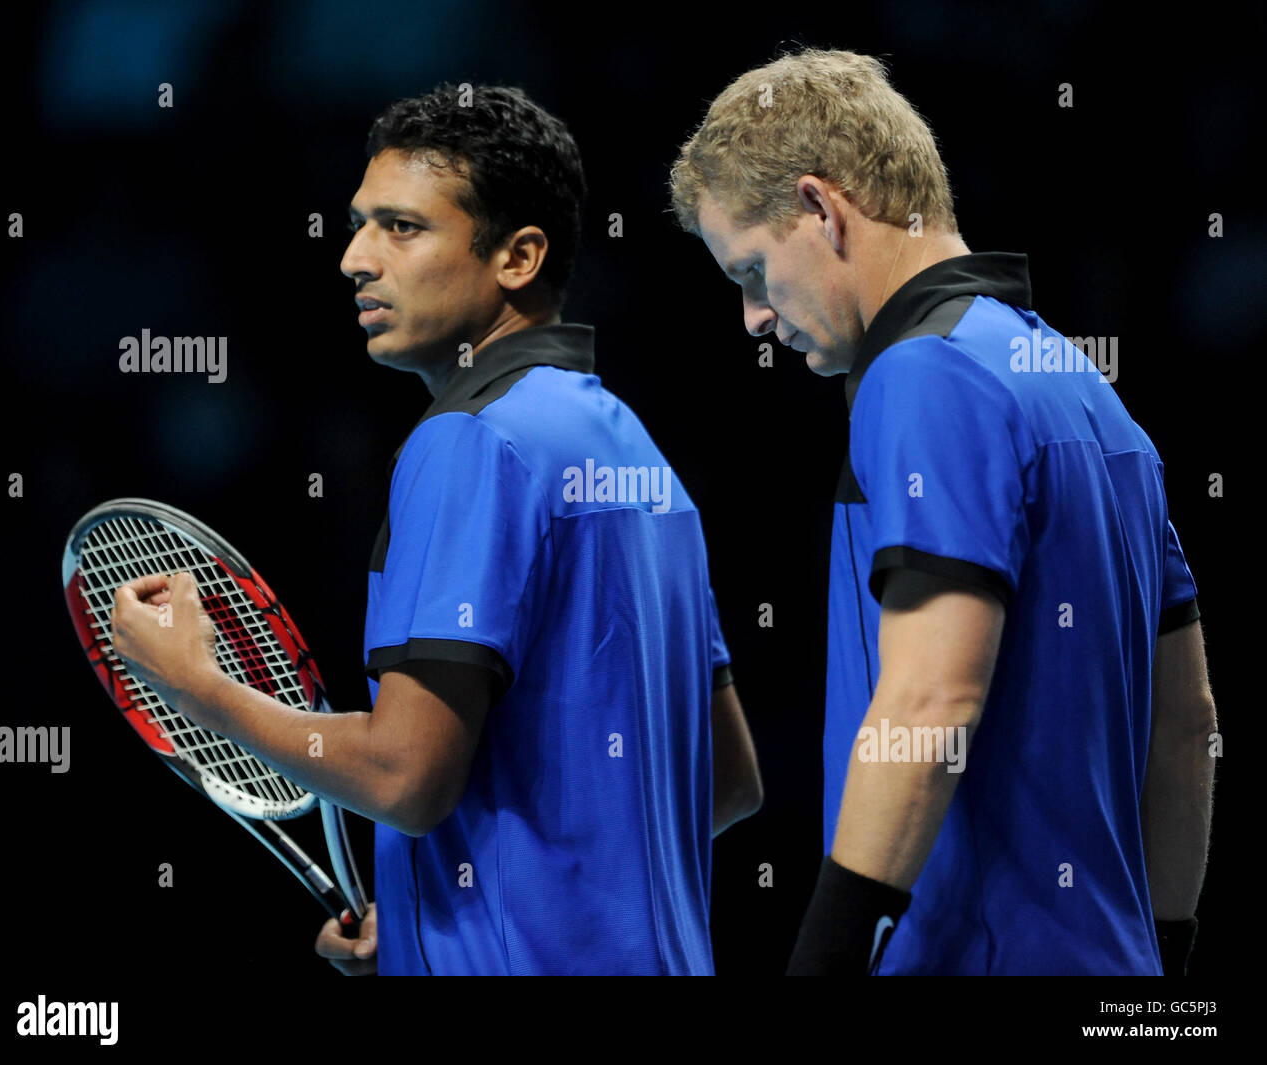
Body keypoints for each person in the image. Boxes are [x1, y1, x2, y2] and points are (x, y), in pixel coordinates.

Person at [110, 83, 762, 975]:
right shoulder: (637, 453)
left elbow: (404, 779)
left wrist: (198, 688)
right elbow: (726, 778)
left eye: (402, 228)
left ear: (519, 256)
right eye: (357, 223)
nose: (353, 258)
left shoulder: (469, 441)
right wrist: (442, 905)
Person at [668, 47, 1216, 975]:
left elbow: (930, 698)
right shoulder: (1086, 391)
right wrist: (1153, 972)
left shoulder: (920, 375)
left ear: (819, 206)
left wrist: (827, 960)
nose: (755, 319)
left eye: (752, 273)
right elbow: (1188, 721)